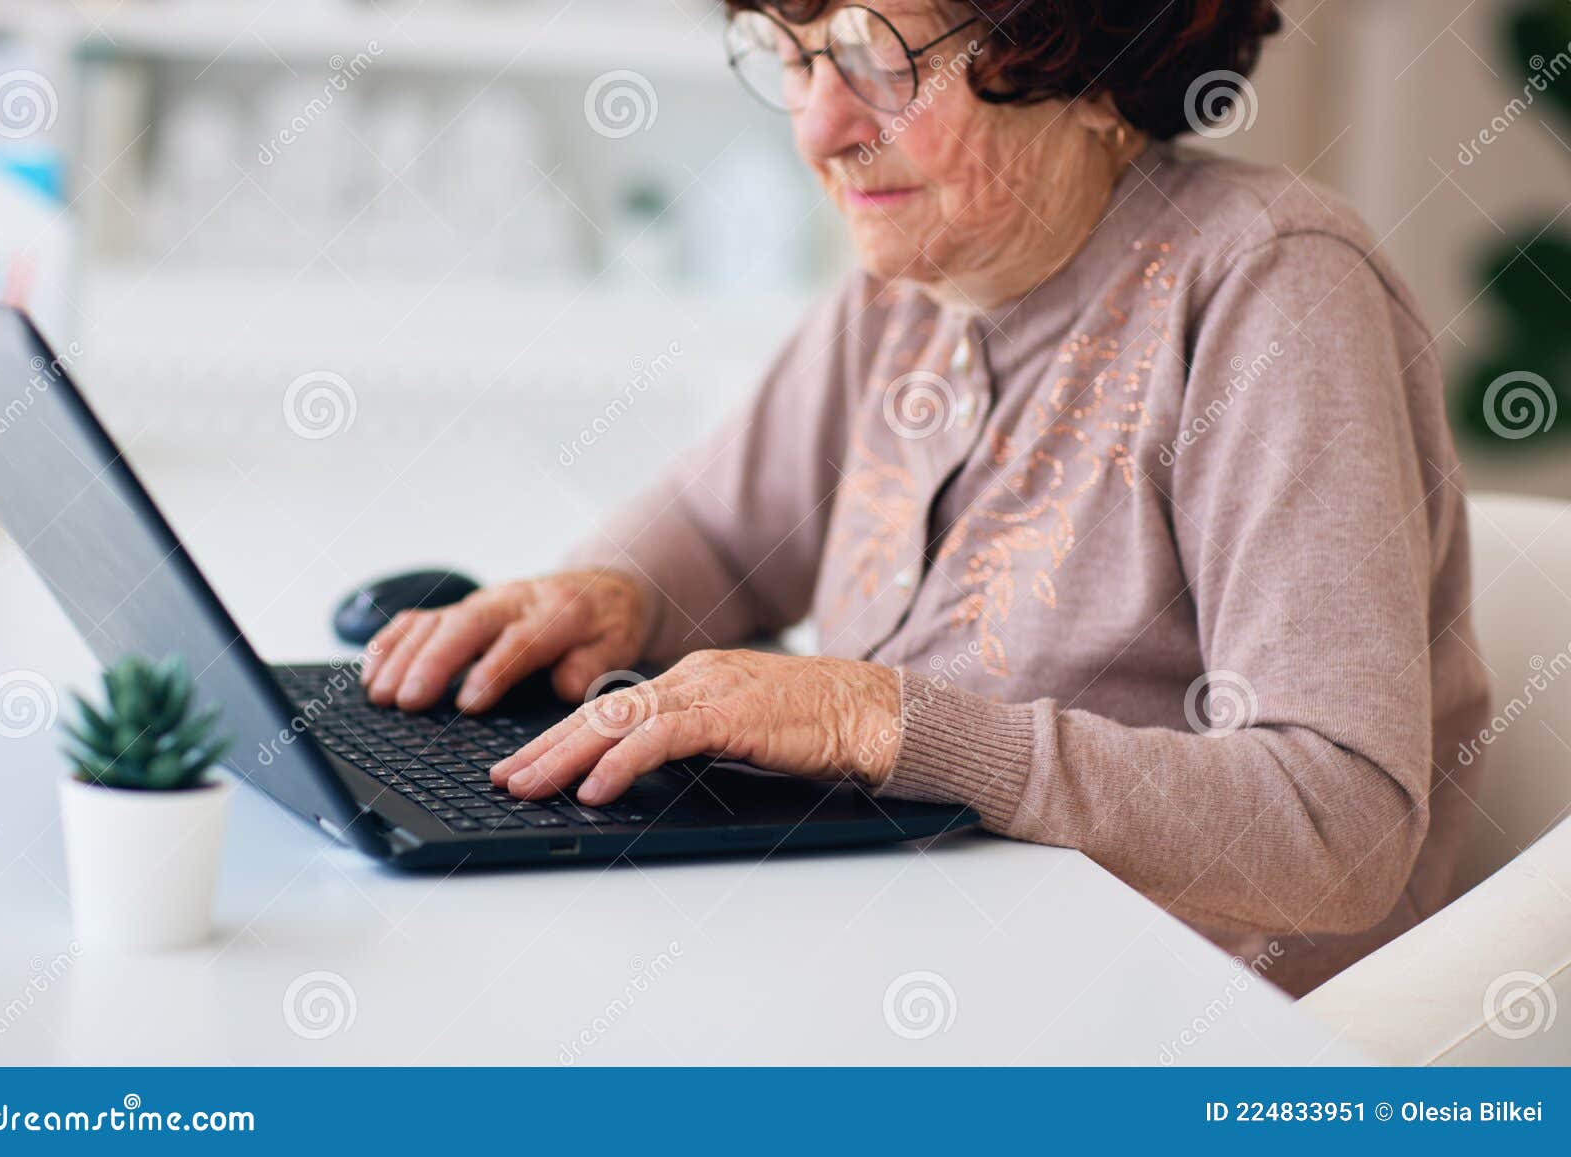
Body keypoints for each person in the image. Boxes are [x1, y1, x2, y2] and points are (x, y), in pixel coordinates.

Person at [359, 1, 1491, 995]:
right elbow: (720, 527)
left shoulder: (1269, 288)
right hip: (895, 965)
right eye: (792, 58)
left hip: (1167, 1031)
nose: (818, 130)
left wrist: (874, 721)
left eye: (882, 59)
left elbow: (1336, 824)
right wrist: (607, 594)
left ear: (1091, 57)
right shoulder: (907, 287)